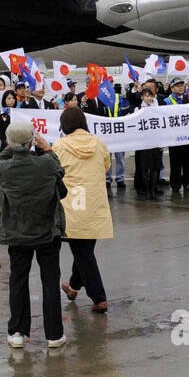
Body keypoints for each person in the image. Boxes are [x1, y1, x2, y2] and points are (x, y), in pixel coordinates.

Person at [0, 121, 67, 349]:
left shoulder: (4, 168)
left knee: (18, 280)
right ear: (31, 141)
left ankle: (17, 331)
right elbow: (58, 167)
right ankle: (54, 334)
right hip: (47, 232)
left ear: (9, 144)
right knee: (50, 282)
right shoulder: (45, 163)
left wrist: (11, 145)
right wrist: (46, 146)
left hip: (17, 232)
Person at [53, 107, 111, 313]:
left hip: (73, 204)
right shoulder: (98, 143)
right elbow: (106, 166)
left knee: (83, 251)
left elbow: (55, 172)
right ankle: (73, 287)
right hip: (94, 203)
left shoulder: (59, 146)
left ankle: (99, 298)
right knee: (84, 249)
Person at [132, 79, 165, 199]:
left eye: (150, 96)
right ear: (142, 97)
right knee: (144, 168)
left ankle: (153, 189)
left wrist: (162, 141)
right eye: (146, 96)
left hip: (155, 142)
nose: (148, 98)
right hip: (143, 143)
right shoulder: (137, 110)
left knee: (155, 168)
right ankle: (146, 190)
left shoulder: (157, 110)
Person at [163, 78, 189, 194]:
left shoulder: (188, 99)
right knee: (175, 162)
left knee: (187, 161)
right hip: (173, 137)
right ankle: (175, 184)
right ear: (172, 88)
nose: (181, 87)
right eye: (177, 86)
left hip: (187, 136)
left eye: (182, 85)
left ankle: (188, 182)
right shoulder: (166, 101)